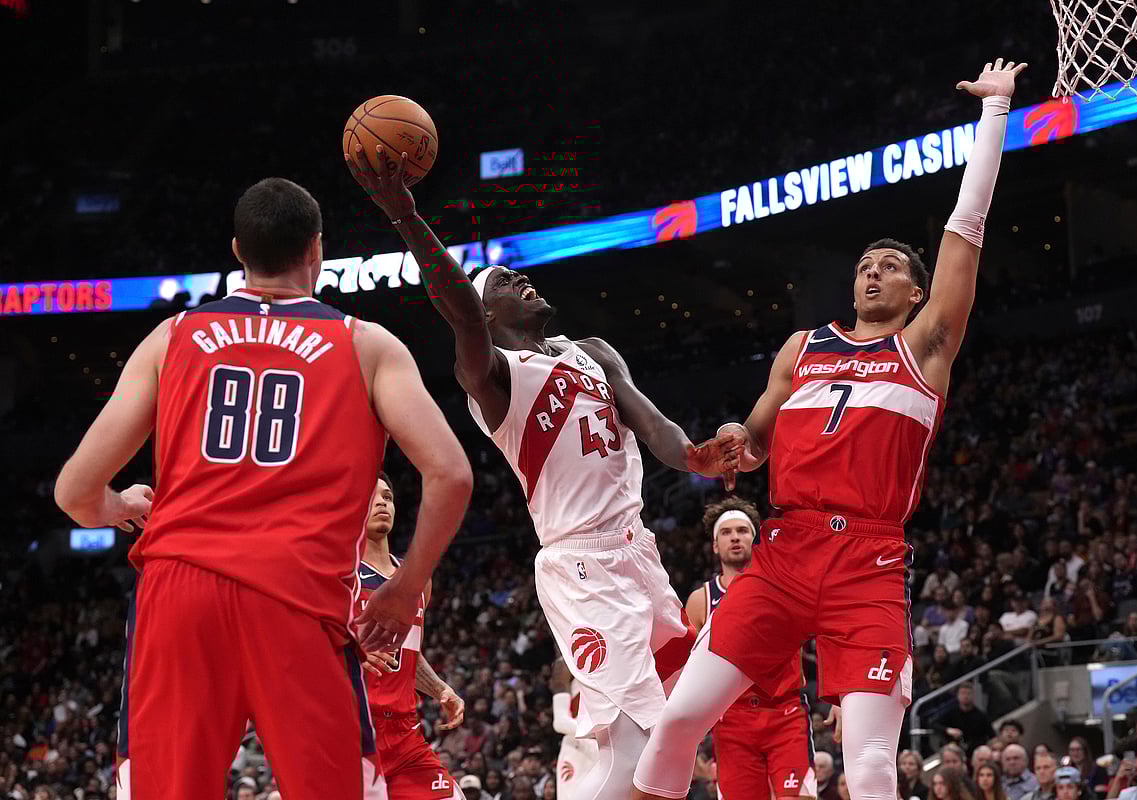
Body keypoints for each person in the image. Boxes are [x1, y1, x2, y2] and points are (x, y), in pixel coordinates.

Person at [631, 57, 1028, 800]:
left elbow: (965, 228)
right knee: (680, 716)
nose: (872, 273)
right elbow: (747, 444)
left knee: (872, 762)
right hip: (784, 551)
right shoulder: (803, 346)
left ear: (916, 293)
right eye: (863, 266)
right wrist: (731, 442)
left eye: (889, 267)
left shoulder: (926, 346)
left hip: (867, 561)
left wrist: (996, 113)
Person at [53, 177, 473, 798]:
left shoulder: (172, 338)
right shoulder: (367, 344)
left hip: (179, 590)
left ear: (236, 251)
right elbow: (451, 473)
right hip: (300, 597)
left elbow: (75, 492)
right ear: (317, 250)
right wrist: (403, 590)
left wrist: (123, 506)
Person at [346, 145, 736, 800]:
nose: (519, 280)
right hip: (580, 566)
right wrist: (406, 216)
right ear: (488, 316)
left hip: (638, 551)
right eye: (501, 284)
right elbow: (460, 313)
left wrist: (694, 455)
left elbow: (657, 429)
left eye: (517, 276)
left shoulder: (596, 353)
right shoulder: (494, 380)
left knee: (681, 730)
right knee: (637, 739)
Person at [682, 497, 815, 800]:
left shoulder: (785, 587)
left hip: (785, 711)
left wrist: (839, 698)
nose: (735, 537)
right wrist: (687, 736)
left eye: (742, 530)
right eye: (726, 532)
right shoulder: (701, 599)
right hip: (732, 719)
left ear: (756, 542)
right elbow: (687, 672)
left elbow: (826, 634)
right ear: (715, 545)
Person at [358, 471, 468, 800]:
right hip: (354, 732)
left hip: (405, 736)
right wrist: (354, 650)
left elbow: (409, 653)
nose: (382, 503)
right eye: (371, 496)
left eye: (388, 497)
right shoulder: (338, 574)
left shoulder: (415, 578)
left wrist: (440, 689)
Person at [550, 656, 599, 800]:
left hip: (609, 746)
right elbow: (560, 722)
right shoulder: (564, 663)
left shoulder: (615, 655)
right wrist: (599, 732)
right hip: (579, 745)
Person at [939, 684, 994, 755]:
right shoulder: (951, 713)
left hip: (975, 752)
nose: (966, 696)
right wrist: (948, 730)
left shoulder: (981, 716)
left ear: (973, 695)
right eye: (963, 693)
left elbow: (991, 735)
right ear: (957, 695)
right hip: (954, 750)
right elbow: (933, 724)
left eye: (968, 693)